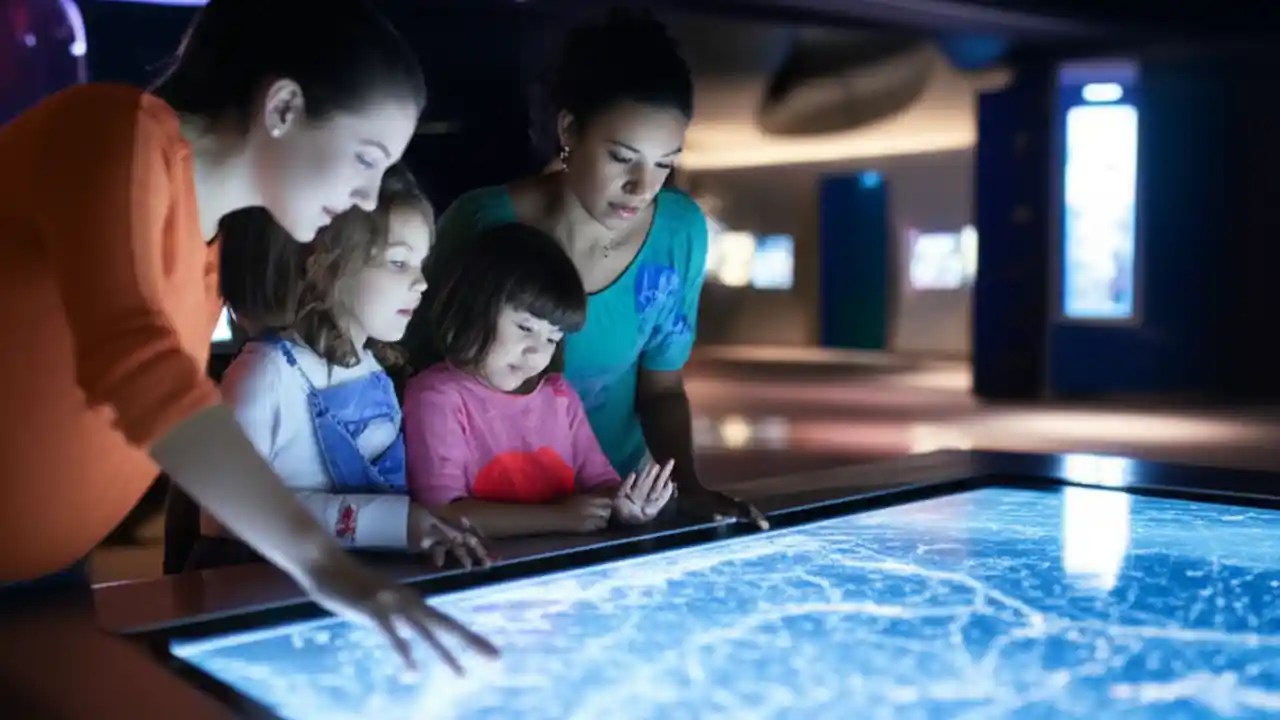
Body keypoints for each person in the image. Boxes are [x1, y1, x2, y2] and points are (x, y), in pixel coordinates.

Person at [0, 0, 495, 673]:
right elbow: (132, 360)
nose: (369, 197)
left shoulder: (211, 241)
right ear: (283, 107)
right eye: (366, 158)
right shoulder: (112, 135)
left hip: (44, 579)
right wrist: (321, 563)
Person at [406, 9, 767, 530]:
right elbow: (418, 364)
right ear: (569, 130)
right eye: (622, 158)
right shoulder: (482, 221)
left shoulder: (680, 232)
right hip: (489, 506)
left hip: (614, 498)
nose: (642, 188)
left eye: (664, 163)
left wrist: (687, 489)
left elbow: (662, 389)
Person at [191, 164, 489, 570]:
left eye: (421, 264)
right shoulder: (266, 374)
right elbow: (225, 513)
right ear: (328, 267)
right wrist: (392, 524)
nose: (421, 283)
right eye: (398, 263)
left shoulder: (374, 369)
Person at [405, 223, 675, 538]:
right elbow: (443, 513)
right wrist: (558, 518)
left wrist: (626, 506)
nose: (536, 351)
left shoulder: (560, 397)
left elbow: (601, 485)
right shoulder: (436, 396)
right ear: (474, 306)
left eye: (551, 338)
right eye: (525, 328)